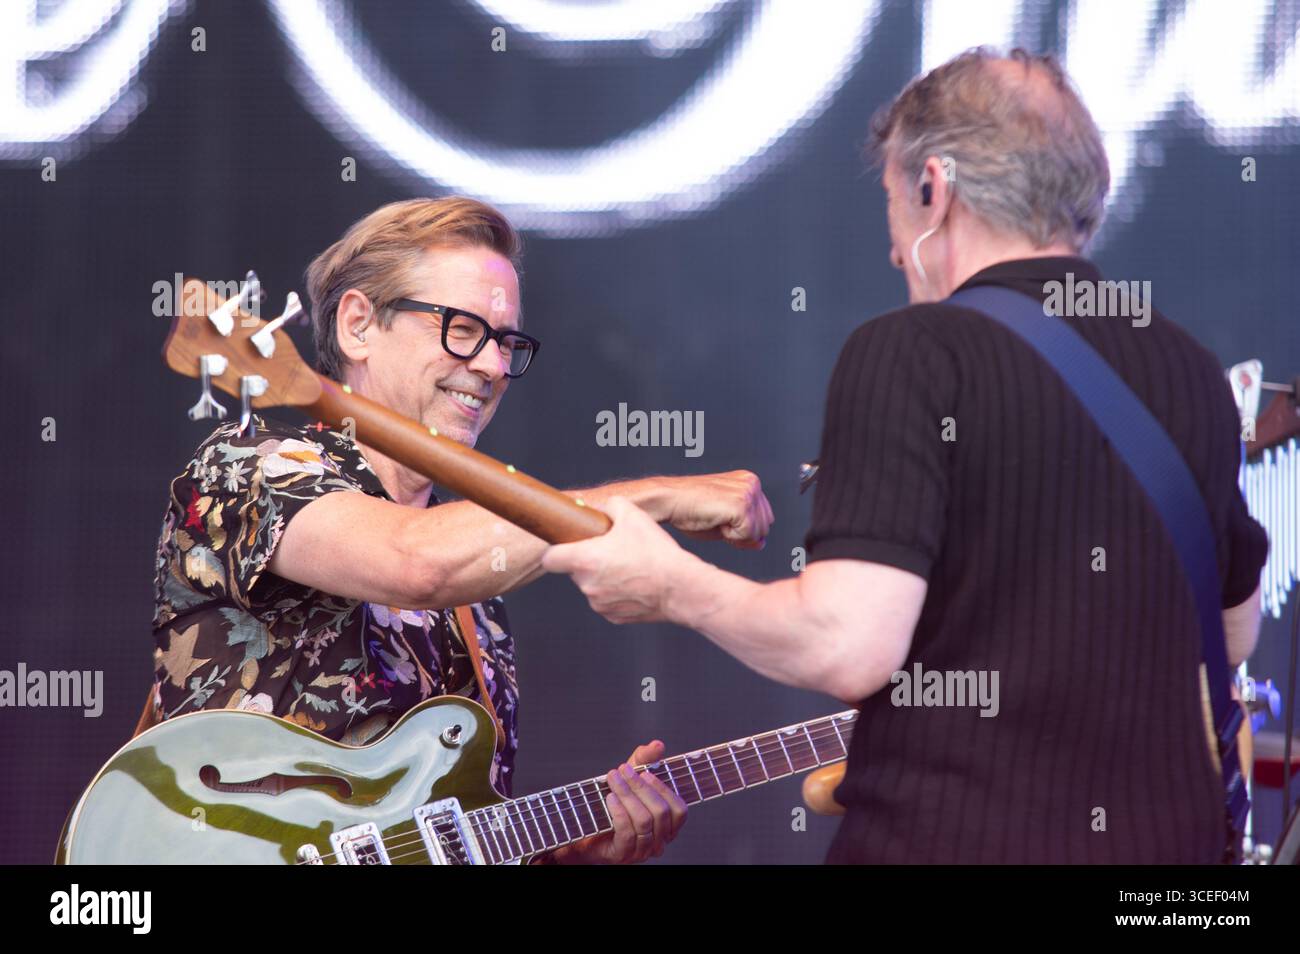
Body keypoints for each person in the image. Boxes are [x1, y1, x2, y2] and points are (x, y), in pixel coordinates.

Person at [542, 48, 1269, 863]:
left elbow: (848, 643)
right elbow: (1232, 632)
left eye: (892, 204)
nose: (894, 251)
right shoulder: (1190, 370)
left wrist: (673, 585)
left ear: (935, 188)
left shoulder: (914, 351)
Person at [150, 196, 773, 864]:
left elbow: (449, 843)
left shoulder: (479, 600)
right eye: (463, 329)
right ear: (359, 325)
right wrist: (654, 496)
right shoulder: (247, 468)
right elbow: (414, 565)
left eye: (505, 341)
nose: (493, 366)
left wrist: (578, 858)